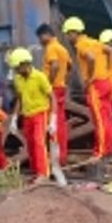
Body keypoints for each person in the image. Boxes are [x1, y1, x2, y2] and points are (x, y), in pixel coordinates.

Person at [63, 17, 112, 158]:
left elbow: (90, 58)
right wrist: (108, 70)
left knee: (99, 120)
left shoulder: (81, 45)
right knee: (107, 118)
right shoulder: (94, 42)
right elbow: (111, 51)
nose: (67, 38)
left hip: (96, 85)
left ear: (74, 33)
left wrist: (90, 77)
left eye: (68, 34)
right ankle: (107, 148)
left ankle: (101, 151)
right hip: (106, 82)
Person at [9, 48, 57, 179]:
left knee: (38, 142)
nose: (16, 71)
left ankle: (43, 174)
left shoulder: (39, 77)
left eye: (17, 67)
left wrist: (53, 119)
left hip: (40, 114)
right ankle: (36, 171)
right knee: (30, 144)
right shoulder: (18, 79)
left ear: (25, 64)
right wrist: (14, 117)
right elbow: (20, 99)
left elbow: (52, 97)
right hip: (27, 116)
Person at [37, 23, 71, 166]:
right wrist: (63, 80)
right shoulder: (62, 48)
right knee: (60, 123)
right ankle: (62, 156)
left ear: (45, 35)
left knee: (53, 124)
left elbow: (55, 66)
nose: (39, 41)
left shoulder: (51, 47)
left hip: (54, 89)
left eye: (39, 37)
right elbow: (70, 67)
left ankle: (55, 159)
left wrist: (49, 85)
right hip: (61, 87)